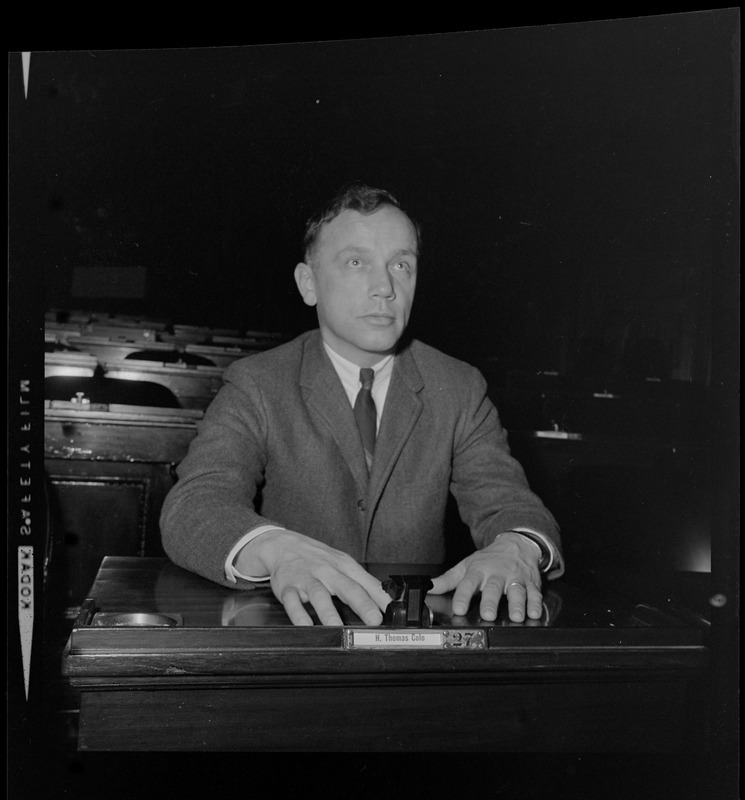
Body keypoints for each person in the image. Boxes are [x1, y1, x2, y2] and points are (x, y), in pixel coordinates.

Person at [160, 183, 564, 627]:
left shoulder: (459, 386)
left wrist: (519, 544)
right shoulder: (258, 382)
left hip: (412, 646)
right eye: (356, 262)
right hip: (294, 633)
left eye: (401, 265)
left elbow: (510, 504)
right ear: (308, 284)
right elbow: (194, 506)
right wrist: (274, 548)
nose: (385, 287)